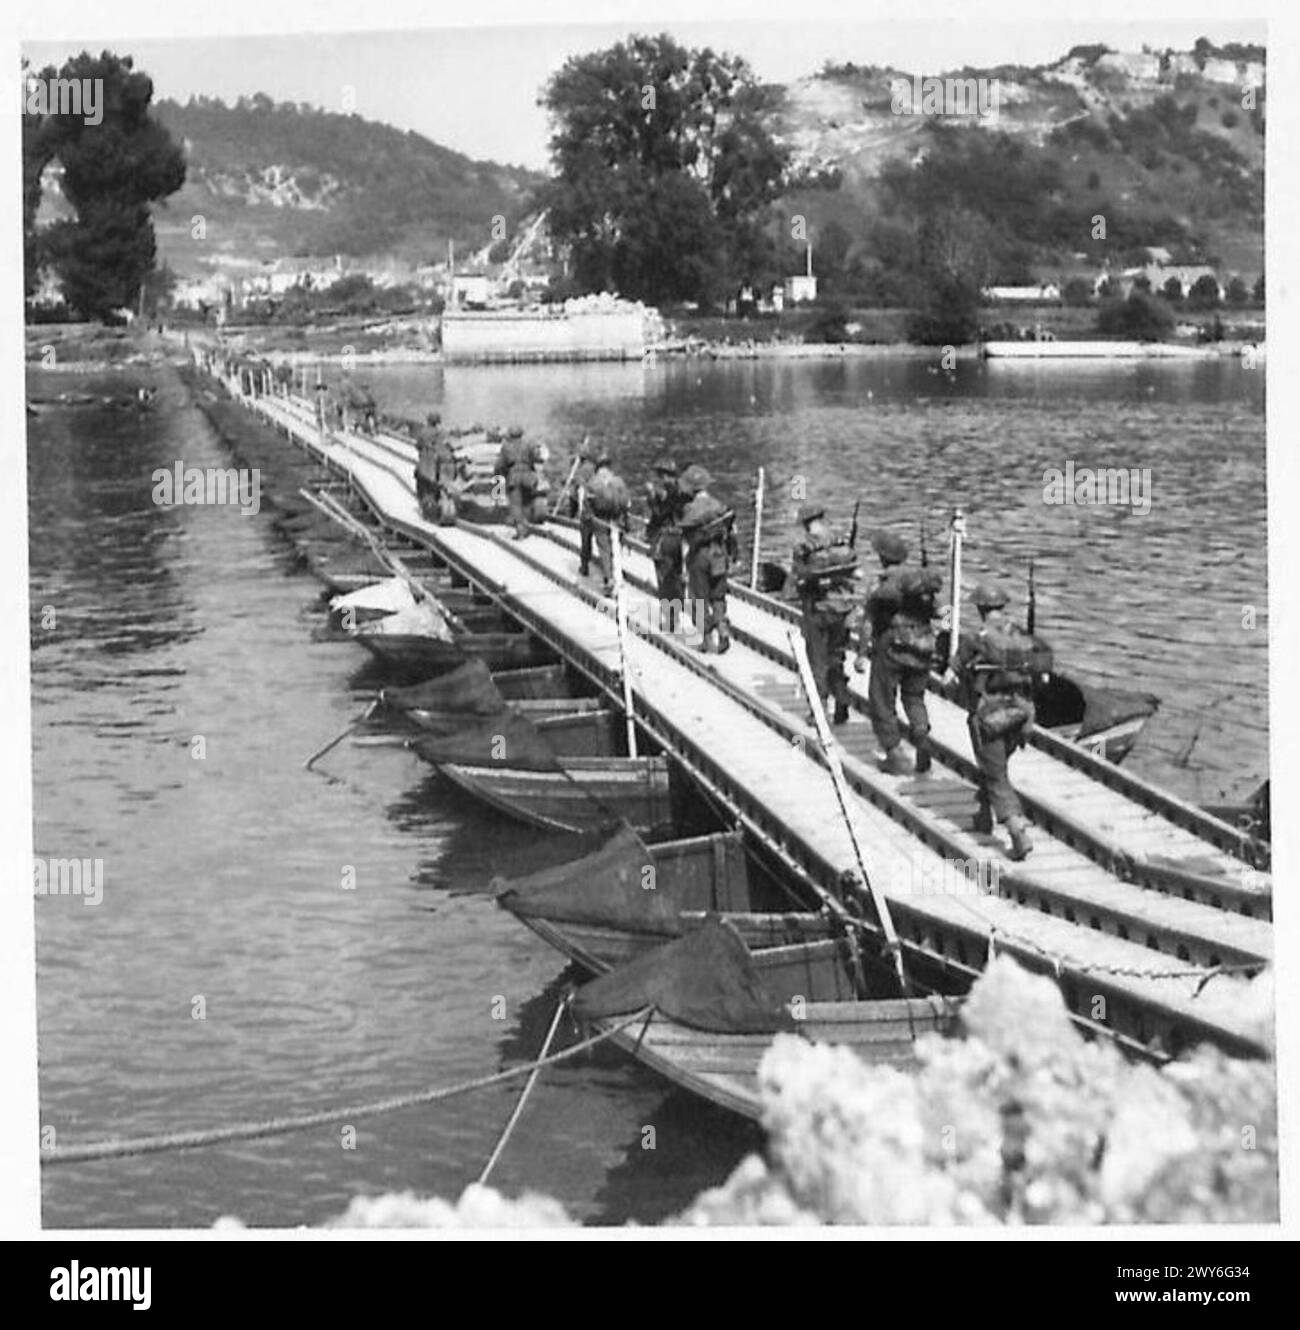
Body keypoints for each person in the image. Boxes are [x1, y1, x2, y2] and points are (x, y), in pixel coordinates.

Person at [951, 582, 1048, 861]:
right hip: (1022, 715)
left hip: (991, 717)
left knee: (996, 775)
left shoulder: (975, 639)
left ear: (980, 608)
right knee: (995, 765)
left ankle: (1017, 832)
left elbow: (950, 675)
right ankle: (983, 815)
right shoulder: (1020, 635)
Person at [854, 530, 944, 775]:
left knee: (881, 699)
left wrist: (862, 653)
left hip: (891, 646)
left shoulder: (882, 583)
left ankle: (894, 754)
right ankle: (921, 735)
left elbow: (868, 621)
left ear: (882, 557)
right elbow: (938, 612)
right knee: (914, 697)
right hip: (923, 646)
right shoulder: (917, 583)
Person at [792, 502, 859, 724]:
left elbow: (799, 577)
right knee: (837, 657)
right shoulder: (841, 541)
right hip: (842, 608)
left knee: (817, 660)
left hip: (818, 609)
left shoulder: (804, 547)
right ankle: (842, 703)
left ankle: (819, 709)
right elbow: (854, 573)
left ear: (806, 524)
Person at [679, 466, 737, 653]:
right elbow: (732, 533)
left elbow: (684, 537)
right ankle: (722, 627)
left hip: (700, 557)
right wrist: (734, 556)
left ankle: (705, 640)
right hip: (719, 555)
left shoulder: (690, 509)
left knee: (699, 599)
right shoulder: (719, 506)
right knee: (718, 597)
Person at [645, 456, 687, 630]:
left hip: (666, 538)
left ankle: (671, 619)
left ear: (663, 476)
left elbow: (658, 516)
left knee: (664, 579)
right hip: (682, 539)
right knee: (678, 577)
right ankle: (677, 612)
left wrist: (652, 498)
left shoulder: (665, 493)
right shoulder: (684, 491)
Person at [585, 451, 632, 593]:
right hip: (617, 519)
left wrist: (588, 518)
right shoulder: (618, 481)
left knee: (604, 550)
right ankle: (618, 576)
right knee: (616, 549)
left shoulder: (594, 482)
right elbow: (627, 503)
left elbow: (587, 504)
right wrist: (627, 521)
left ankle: (609, 578)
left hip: (600, 519)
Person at [414, 412, 466, 523]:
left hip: (428, 464)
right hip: (444, 464)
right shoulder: (442, 433)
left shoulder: (423, 432)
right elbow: (450, 444)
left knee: (423, 483)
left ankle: (428, 508)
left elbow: (418, 446)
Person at [495, 426, 539, 538]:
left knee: (516, 504)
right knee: (527, 502)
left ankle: (520, 529)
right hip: (528, 476)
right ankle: (526, 524)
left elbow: (500, 465)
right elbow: (536, 457)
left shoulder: (506, 447)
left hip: (513, 476)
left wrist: (499, 477)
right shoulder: (528, 444)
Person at [568, 441, 598, 576]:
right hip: (600, 508)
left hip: (587, 508)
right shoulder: (596, 468)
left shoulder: (580, 471)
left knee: (586, 539)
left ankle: (585, 565)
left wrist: (572, 512)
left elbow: (576, 492)